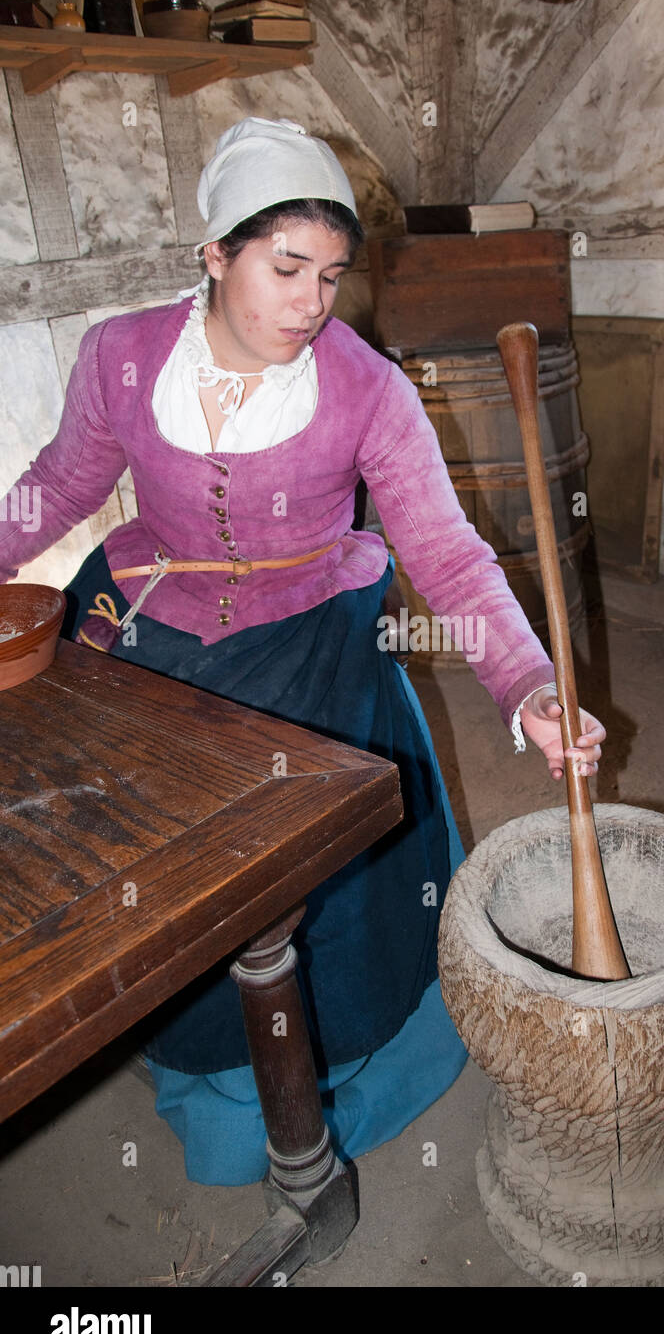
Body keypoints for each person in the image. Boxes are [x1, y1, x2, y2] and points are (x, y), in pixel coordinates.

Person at [0, 118, 605, 1185]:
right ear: (215, 255)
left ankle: (323, 1079)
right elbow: (61, 486)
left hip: (312, 650)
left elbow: (449, 557)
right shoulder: (124, 356)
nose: (310, 302)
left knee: (318, 903)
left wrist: (525, 684)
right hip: (157, 628)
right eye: (284, 267)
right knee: (149, 871)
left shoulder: (368, 388)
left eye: (329, 275)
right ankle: (191, 1048)